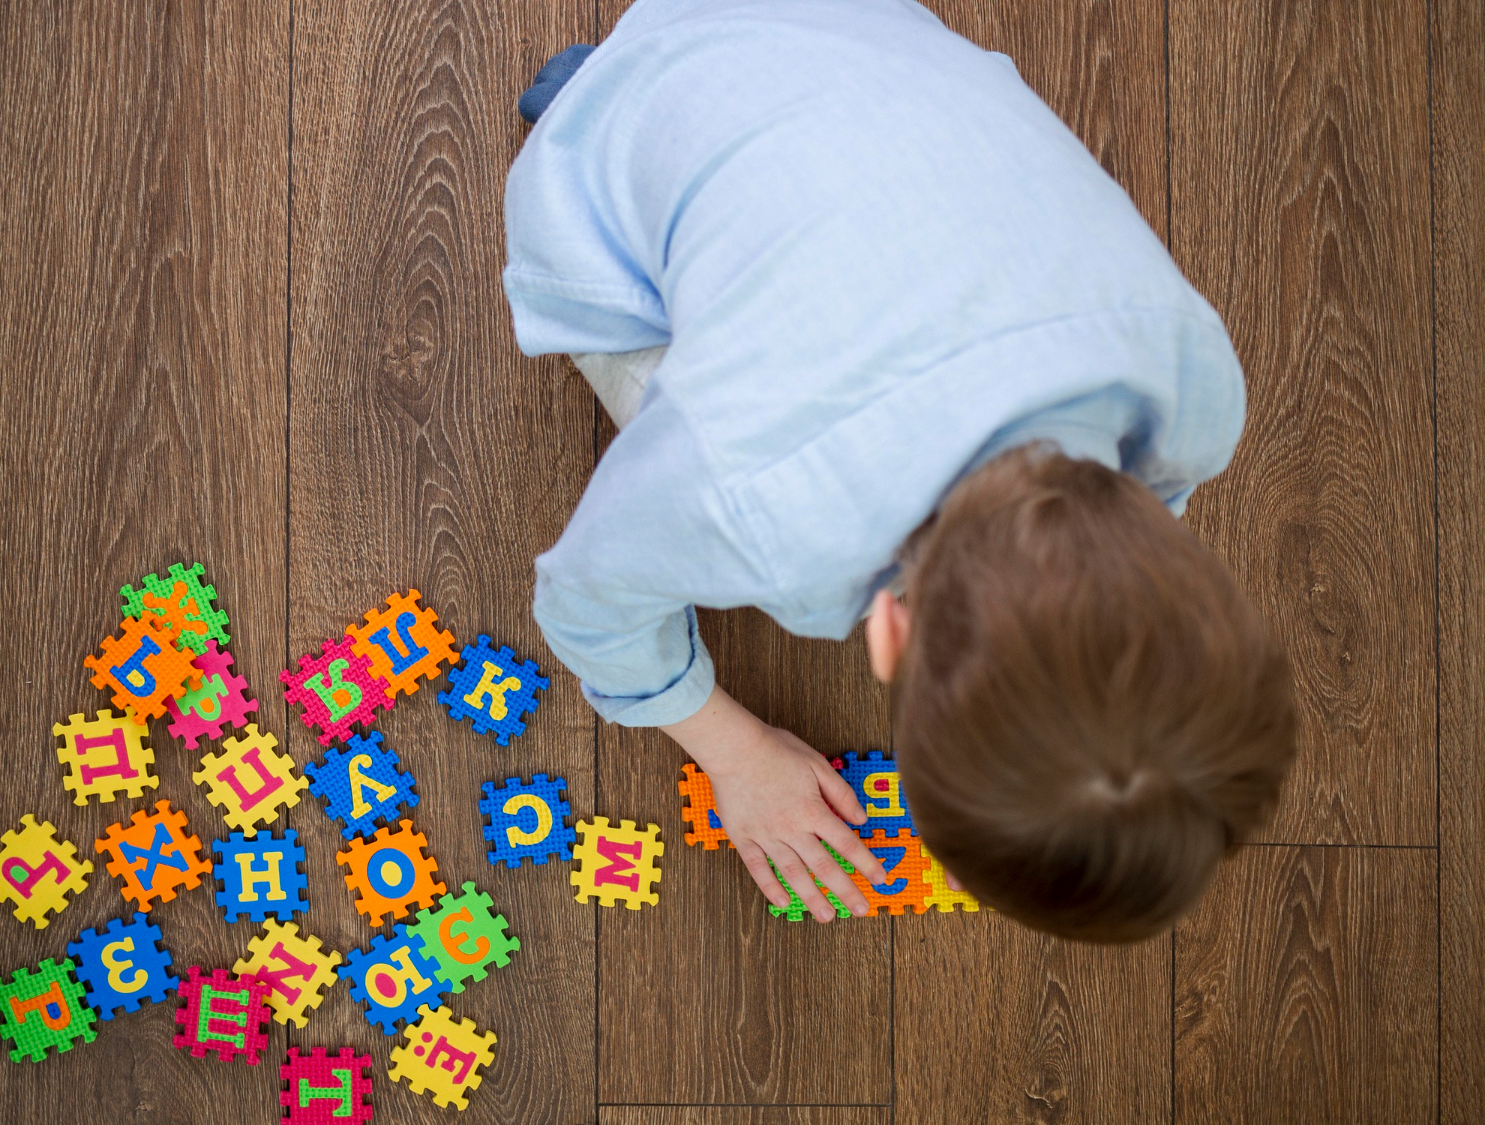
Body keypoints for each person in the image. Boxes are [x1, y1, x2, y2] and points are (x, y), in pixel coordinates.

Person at [503, 0, 1296, 939]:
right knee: (665, 376)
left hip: (850, 29)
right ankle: (575, 102)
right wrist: (733, 748)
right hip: (614, 145)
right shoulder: (754, 495)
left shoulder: (1200, 392)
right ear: (883, 633)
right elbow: (585, 601)